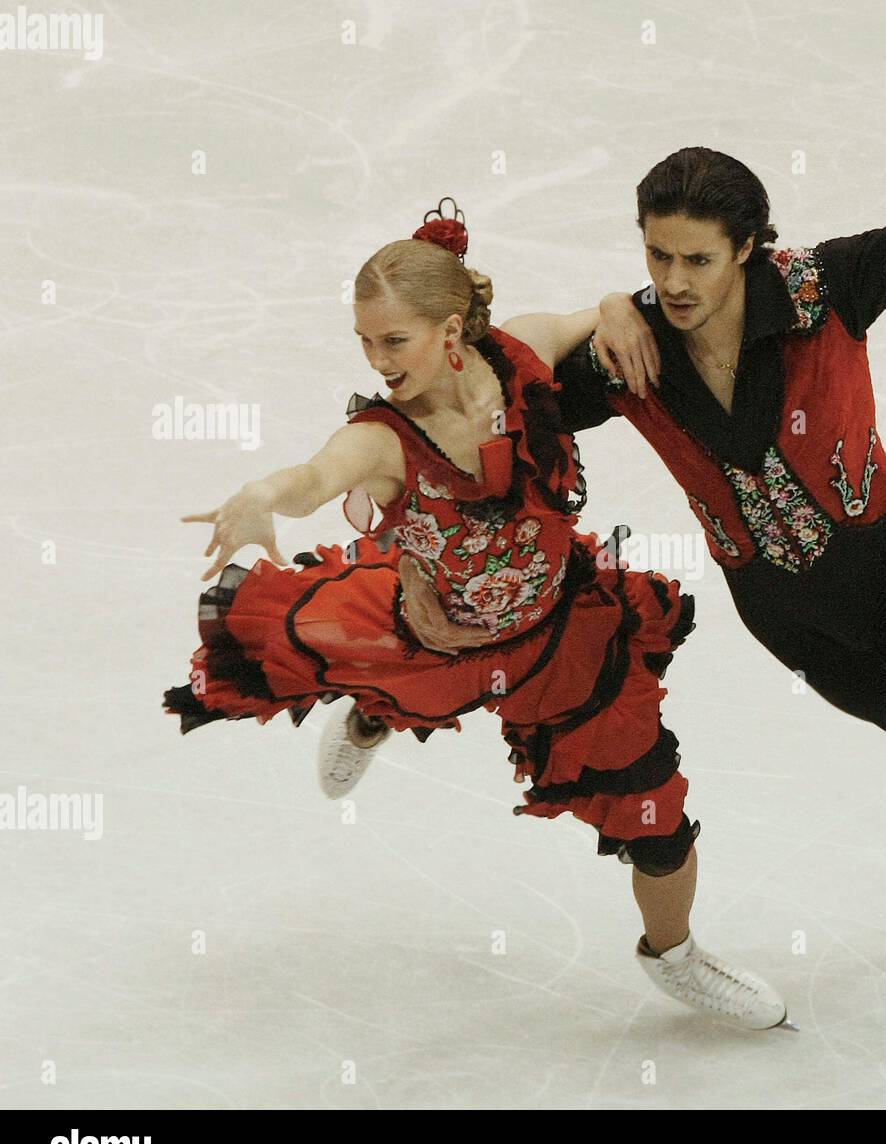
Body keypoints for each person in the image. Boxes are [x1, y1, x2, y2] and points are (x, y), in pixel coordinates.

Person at [394, 64, 886, 1039]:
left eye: (696, 258)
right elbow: (511, 396)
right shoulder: (633, 349)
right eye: (656, 257)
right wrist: (565, 329)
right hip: (797, 621)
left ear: (747, 249)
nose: (674, 281)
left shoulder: (829, 287)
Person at [162, 201, 796, 1033]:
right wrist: (263, 494)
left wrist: (611, 307)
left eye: (394, 341)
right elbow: (320, 474)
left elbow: (608, 313)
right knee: (373, 671)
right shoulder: (384, 438)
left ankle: (675, 956)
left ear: (451, 329)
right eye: (365, 341)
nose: (377, 361)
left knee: (655, 815)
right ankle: (368, 718)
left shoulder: (521, 359)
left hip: (561, 632)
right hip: (434, 640)